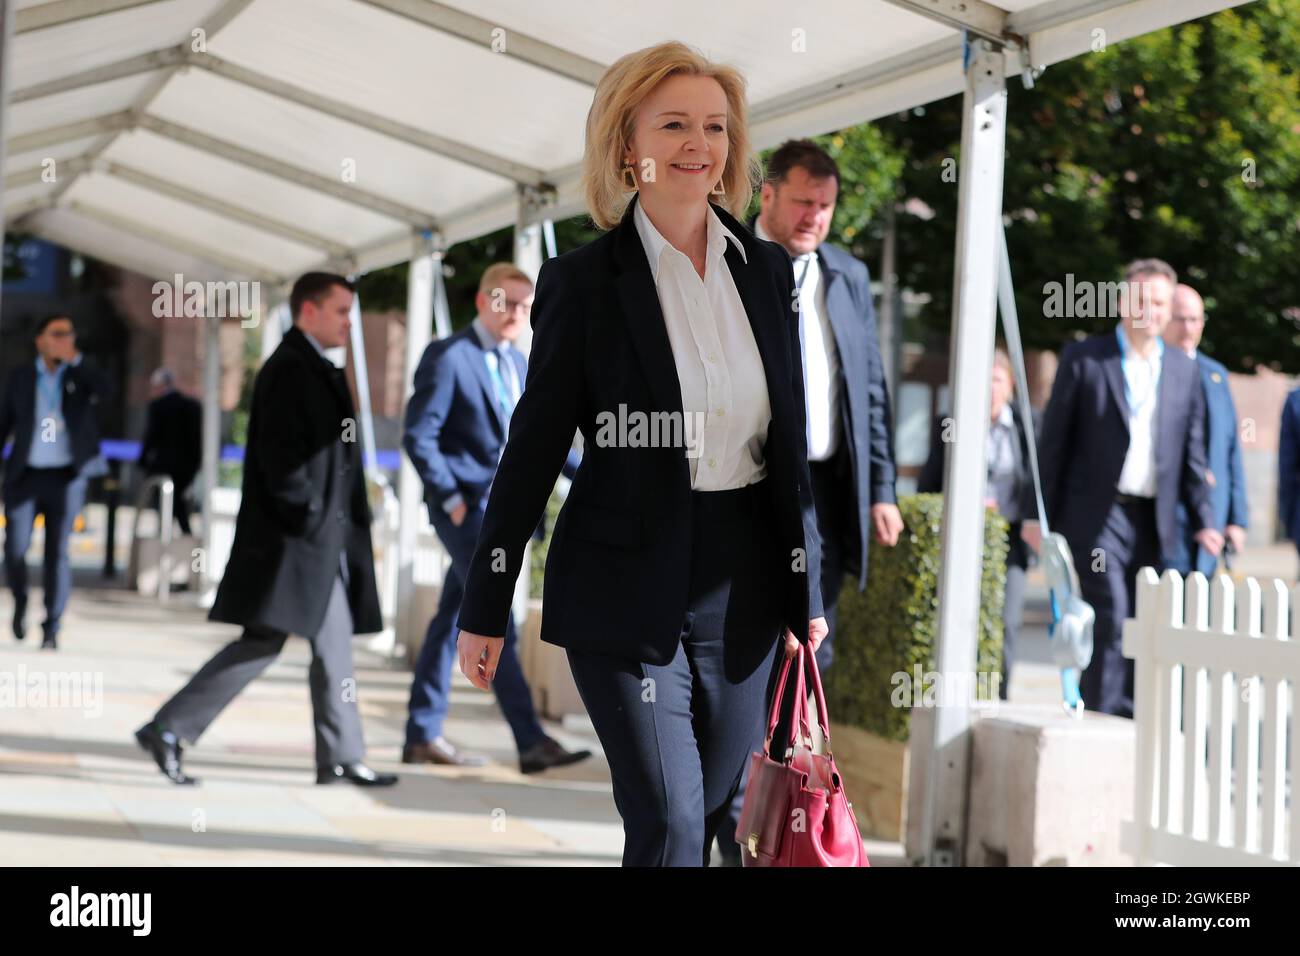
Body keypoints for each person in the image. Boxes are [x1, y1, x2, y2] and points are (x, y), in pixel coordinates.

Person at [452, 41, 826, 866]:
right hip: (624, 583)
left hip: (747, 590)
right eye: (675, 125)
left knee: (724, 814)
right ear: (628, 146)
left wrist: (808, 592)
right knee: (669, 819)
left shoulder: (766, 273)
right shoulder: (582, 284)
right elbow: (533, 451)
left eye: (715, 127)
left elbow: (789, 451)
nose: (700, 144)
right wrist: (485, 603)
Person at [134, 273, 397, 788]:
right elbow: (281, 461)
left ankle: (342, 756)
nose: (350, 322)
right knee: (263, 641)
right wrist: (312, 514)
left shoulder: (313, 365)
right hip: (294, 544)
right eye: (340, 311)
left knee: (334, 646)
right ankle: (168, 727)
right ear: (308, 312)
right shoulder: (289, 368)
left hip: (320, 541)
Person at [402, 262, 590, 773]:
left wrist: (598, 469)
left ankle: (421, 732)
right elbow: (419, 435)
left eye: (528, 306)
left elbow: (535, 442)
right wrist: (452, 499)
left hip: (500, 515)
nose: (519, 314)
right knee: (493, 615)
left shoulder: (517, 361)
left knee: (451, 619)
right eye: (509, 302)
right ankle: (530, 740)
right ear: (485, 301)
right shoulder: (449, 357)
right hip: (467, 514)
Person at [1033, 258, 1220, 718]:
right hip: (1098, 514)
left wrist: (1206, 521)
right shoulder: (1085, 359)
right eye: (1140, 300)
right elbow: (1053, 443)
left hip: (1155, 518)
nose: (1149, 311)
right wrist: (1035, 517)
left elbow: (1192, 455)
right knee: (1111, 613)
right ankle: (1105, 718)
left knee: (1145, 620)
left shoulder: (1183, 370)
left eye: (1158, 303)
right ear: (1121, 302)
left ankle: (1136, 719)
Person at [751, 139, 902, 671]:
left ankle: (796, 753)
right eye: (802, 202)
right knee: (752, 634)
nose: (814, 217)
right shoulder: (730, 261)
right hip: (752, 483)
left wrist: (882, 491)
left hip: (828, 488)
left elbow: (870, 391)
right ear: (767, 195)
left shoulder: (848, 275)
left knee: (817, 639)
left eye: (825, 206)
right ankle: (745, 753)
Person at [919, 349, 1035, 701]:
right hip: (962, 537)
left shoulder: (1028, 427)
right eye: (983, 379)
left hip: (1010, 538)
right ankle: (958, 698)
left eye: (997, 379)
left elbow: (1038, 483)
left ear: (1011, 385)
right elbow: (929, 484)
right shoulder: (950, 424)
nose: (990, 388)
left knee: (1007, 621)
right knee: (959, 619)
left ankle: (998, 697)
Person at [0, 314, 111, 649]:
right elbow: (4, 421)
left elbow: (107, 390)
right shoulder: (20, 377)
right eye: (58, 333)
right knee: (15, 548)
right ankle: (20, 603)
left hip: (66, 477)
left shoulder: (80, 375)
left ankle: (52, 625)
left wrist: (76, 359)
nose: (67, 338)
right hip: (26, 475)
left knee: (56, 552)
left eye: (70, 333)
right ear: (40, 340)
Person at [1161, 284, 1248, 576]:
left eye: (1196, 319)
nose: (1188, 327)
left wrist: (1237, 518)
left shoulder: (1215, 374)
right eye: (1180, 318)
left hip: (1214, 515)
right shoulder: (1150, 373)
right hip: (1168, 519)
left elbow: (1231, 448)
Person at [138, 367, 202, 536]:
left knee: (167, 506)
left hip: (164, 466)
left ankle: (168, 540)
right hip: (186, 468)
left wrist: (143, 460)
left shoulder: (158, 406)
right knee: (179, 505)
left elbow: (151, 436)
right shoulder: (191, 406)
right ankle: (182, 540)